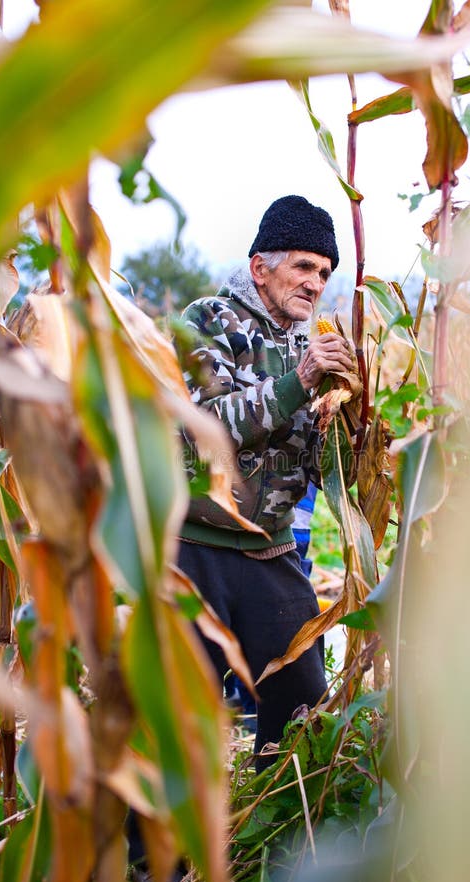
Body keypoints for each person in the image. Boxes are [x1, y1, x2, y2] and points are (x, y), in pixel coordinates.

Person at [178, 195, 354, 771]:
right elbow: (208, 429)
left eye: (324, 273)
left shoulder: (307, 341)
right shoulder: (208, 321)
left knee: (301, 704)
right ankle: (156, 858)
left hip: (273, 551)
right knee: (180, 717)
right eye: (304, 266)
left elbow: (309, 463)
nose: (315, 282)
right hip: (199, 549)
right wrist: (299, 383)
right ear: (261, 268)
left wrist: (344, 420)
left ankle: (279, 828)